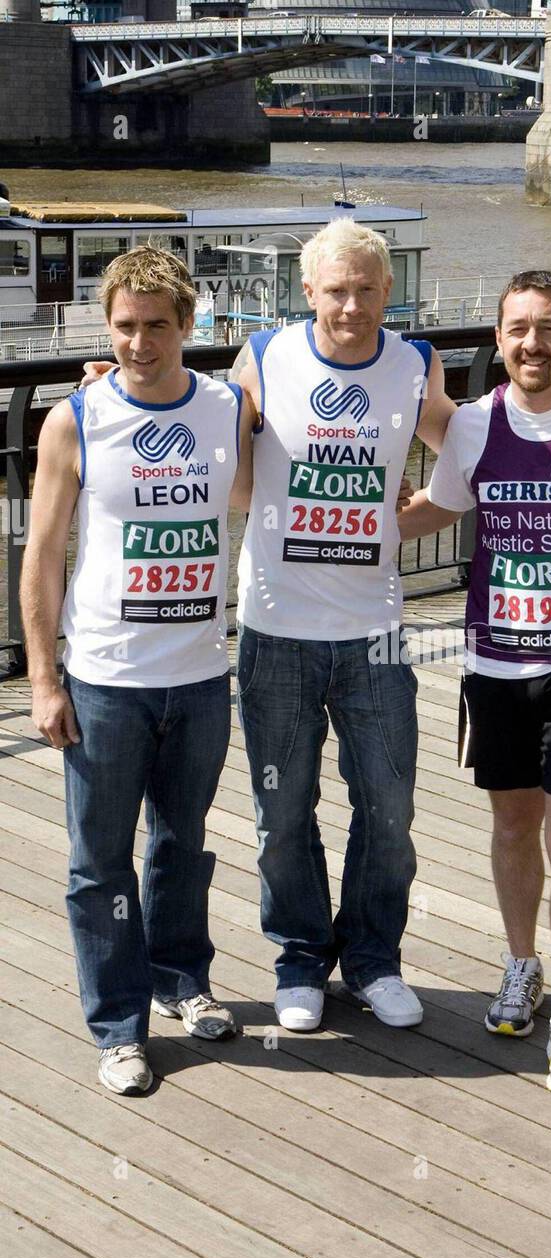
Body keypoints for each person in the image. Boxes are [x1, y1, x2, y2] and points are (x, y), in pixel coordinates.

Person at [399, 269, 551, 1096]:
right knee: (513, 828)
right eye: (516, 329)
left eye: (548, 328)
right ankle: (521, 967)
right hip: (495, 665)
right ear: (497, 340)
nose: (531, 343)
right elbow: (439, 505)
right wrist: (303, 529)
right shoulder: (472, 427)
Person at [22, 246, 254, 1096]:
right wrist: (45, 681)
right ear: (105, 328)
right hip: (106, 681)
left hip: (197, 677)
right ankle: (118, 1025)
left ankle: (181, 980)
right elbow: (43, 556)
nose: (140, 343)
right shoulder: (73, 420)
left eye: (158, 326)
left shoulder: (227, 410)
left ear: (189, 326)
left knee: (182, 844)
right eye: (124, 327)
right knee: (98, 860)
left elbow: (313, 434)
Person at [230, 218, 457, 1033]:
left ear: (389, 291)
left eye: (367, 289)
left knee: (388, 808)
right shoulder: (263, 357)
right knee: (282, 811)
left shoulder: (416, 365)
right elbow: (215, 462)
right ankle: (299, 960)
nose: (351, 305)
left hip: (378, 631)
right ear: (307, 291)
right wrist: (106, 387)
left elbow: (469, 459)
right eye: (336, 290)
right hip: (276, 627)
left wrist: (407, 523)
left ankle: (372, 960)